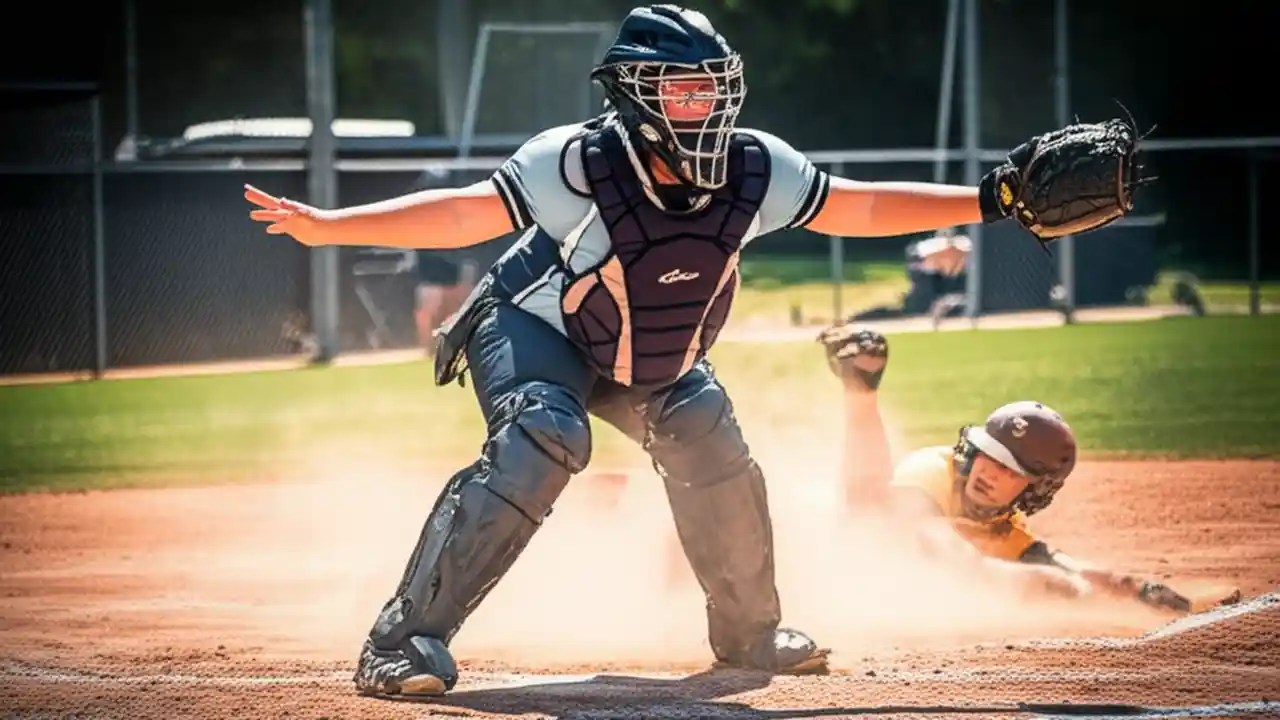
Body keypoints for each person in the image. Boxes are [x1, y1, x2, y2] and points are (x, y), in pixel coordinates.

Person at [244, 5, 1133, 698]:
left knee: (707, 436)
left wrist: (988, 197)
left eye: (713, 88)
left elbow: (857, 207)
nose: (704, 106)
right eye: (683, 90)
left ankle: (750, 633)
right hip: (535, 328)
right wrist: (331, 227)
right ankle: (398, 645)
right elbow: (464, 211)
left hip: (649, 352)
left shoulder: (756, 167)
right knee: (546, 435)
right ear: (635, 92)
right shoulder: (575, 163)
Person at [816, 324, 1237, 612]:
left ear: (1034, 489)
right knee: (871, 501)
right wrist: (1038, 585)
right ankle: (861, 389)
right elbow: (943, 547)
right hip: (841, 579)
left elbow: (1063, 565)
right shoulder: (930, 473)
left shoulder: (1003, 528)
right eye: (990, 457)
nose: (990, 472)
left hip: (901, 595)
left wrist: (1138, 589)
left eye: (1010, 470)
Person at [414, 252, 476, 354]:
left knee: (454, 315)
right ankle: (429, 348)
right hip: (430, 281)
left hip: (451, 280)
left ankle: (453, 345)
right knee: (428, 315)